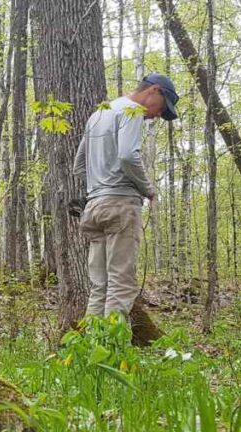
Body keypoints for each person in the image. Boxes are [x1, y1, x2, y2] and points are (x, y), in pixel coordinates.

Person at [74, 73, 180, 319]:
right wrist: (148, 189)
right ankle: (113, 351)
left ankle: (91, 349)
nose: (156, 116)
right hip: (120, 206)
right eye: (161, 108)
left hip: (94, 208)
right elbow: (127, 156)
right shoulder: (132, 111)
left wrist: (99, 186)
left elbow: (79, 166)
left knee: (99, 287)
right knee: (121, 284)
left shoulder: (99, 113)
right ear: (154, 90)